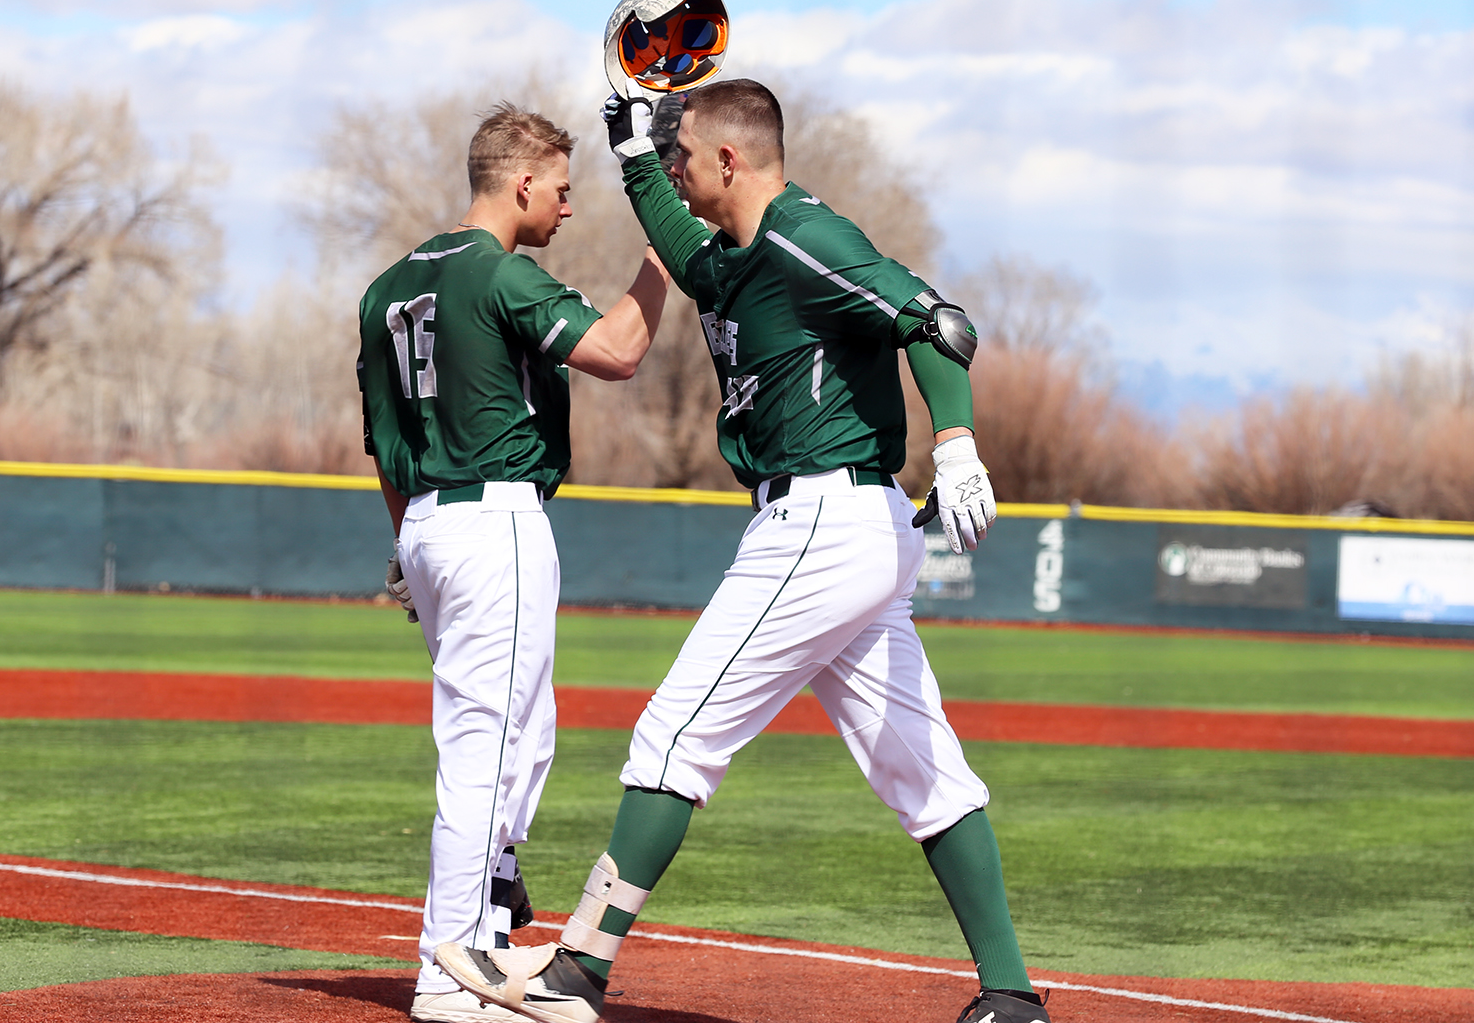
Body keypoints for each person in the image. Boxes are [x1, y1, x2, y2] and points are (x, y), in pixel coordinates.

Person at [435, 79, 1046, 1023]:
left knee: (674, 737)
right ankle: (1012, 996)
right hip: (852, 530)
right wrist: (634, 156)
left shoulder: (808, 236)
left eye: (684, 158)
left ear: (730, 160)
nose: (674, 171)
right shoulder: (733, 255)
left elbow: (933, 321)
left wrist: (957, 442)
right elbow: (681, 249)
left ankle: (577, 972)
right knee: (923, 771)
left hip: (820, 523)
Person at [358, 103, 671, 1023]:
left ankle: (487, 917)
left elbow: (384, 446)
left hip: (426, 524)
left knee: (523, 733)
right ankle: (448, 975)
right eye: (562, 188)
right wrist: (666, 260)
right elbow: (616, 349)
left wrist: (408, 557)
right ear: (522, 179)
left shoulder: (386, 287)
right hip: (494, 522)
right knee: (486, 749)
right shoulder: (500, 272)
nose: (568, 207)